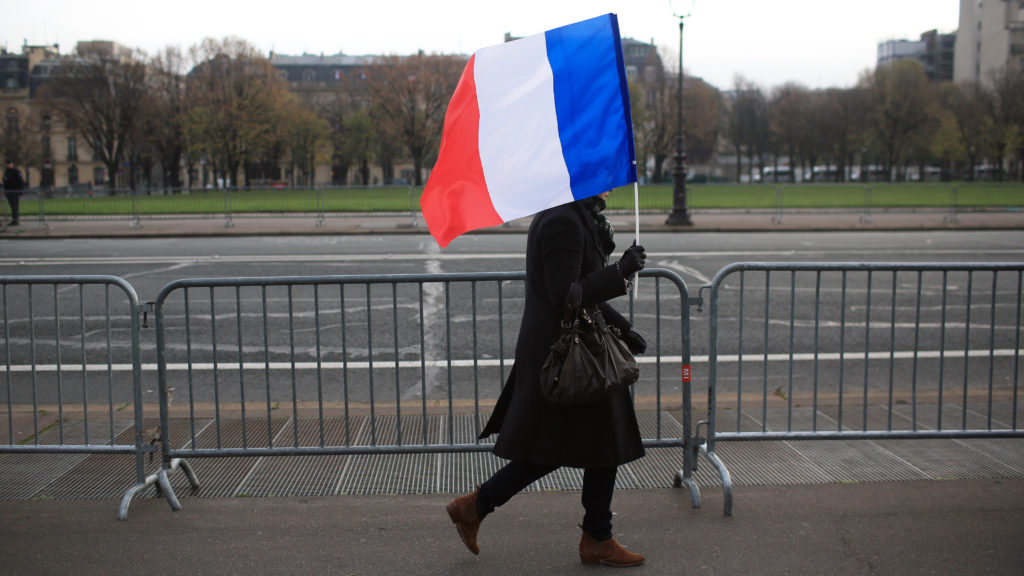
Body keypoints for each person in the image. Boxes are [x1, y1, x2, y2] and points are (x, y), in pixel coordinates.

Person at [446, 191, 648, 567]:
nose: (608, 183)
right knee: (563, 447)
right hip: (564, 357)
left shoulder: (573, 215)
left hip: (577, 350)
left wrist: (624, 328)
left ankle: (594, 535)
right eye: (599, 173)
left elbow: (581, 289)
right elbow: (565, 294)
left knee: (593, 445)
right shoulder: (561, 221)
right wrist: (619, 272)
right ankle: (479, 507)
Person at [2, 159, 25, 226]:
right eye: (7, 164)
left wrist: (21, 190)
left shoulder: (16, 172)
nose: (8, 165)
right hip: (9, 192)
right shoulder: (6, 172)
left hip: (15, 191)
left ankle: (15, 220)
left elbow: (20, 181)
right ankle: (14, 219)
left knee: (15, 206)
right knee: (12, 206)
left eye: (9, 164)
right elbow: (5, 181)